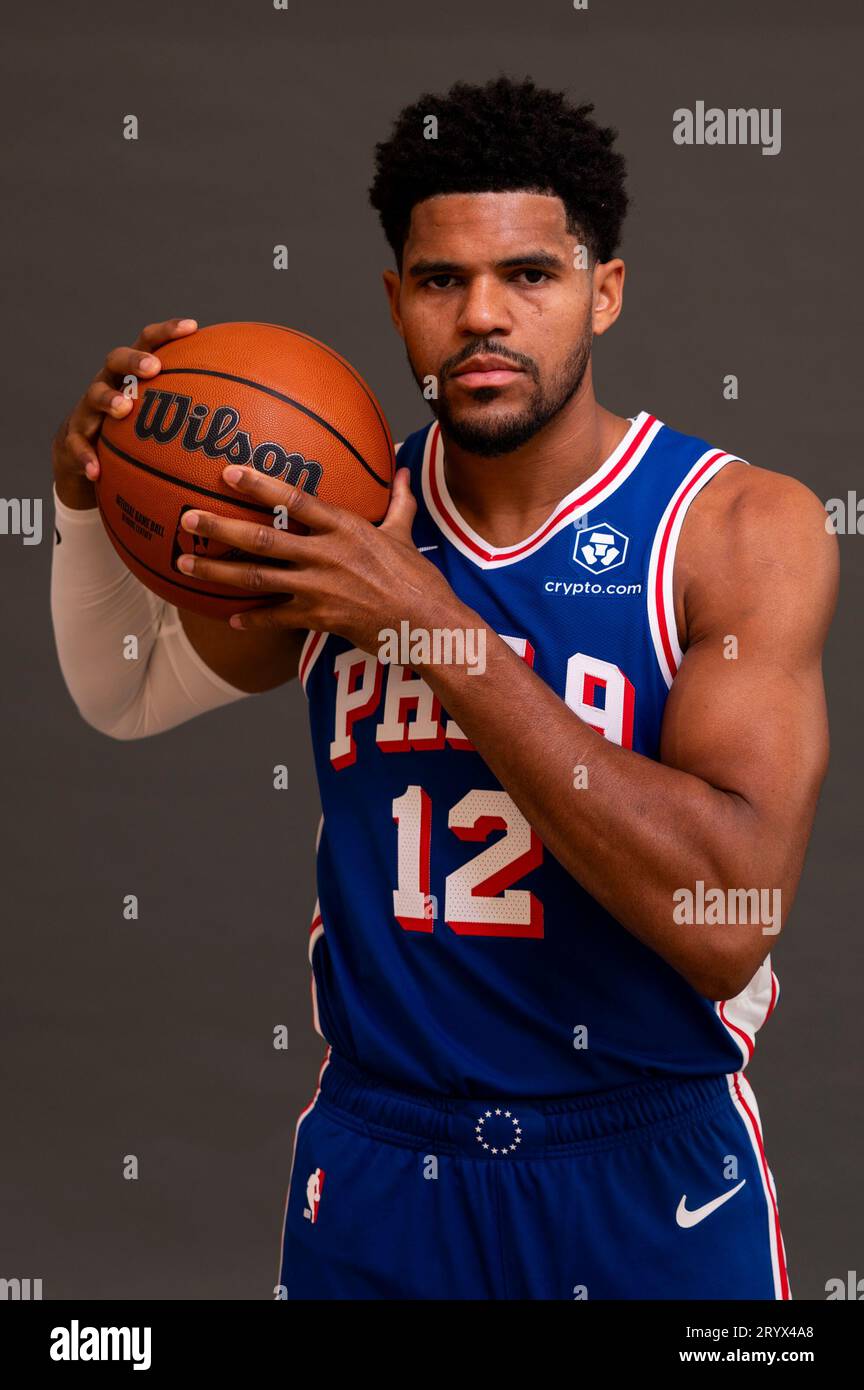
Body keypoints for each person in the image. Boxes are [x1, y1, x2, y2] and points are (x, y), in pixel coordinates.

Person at [51, 76, 837, 1300]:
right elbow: (126, 694)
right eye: (440, 281)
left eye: (530, 274)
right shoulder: (334, 517)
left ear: (605, 290)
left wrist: (428, 622)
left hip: (646, 1166)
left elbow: (725, 923)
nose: (483, 316)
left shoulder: (735, 527)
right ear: (396, 302)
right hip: (384, 1166)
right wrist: (89, 504)